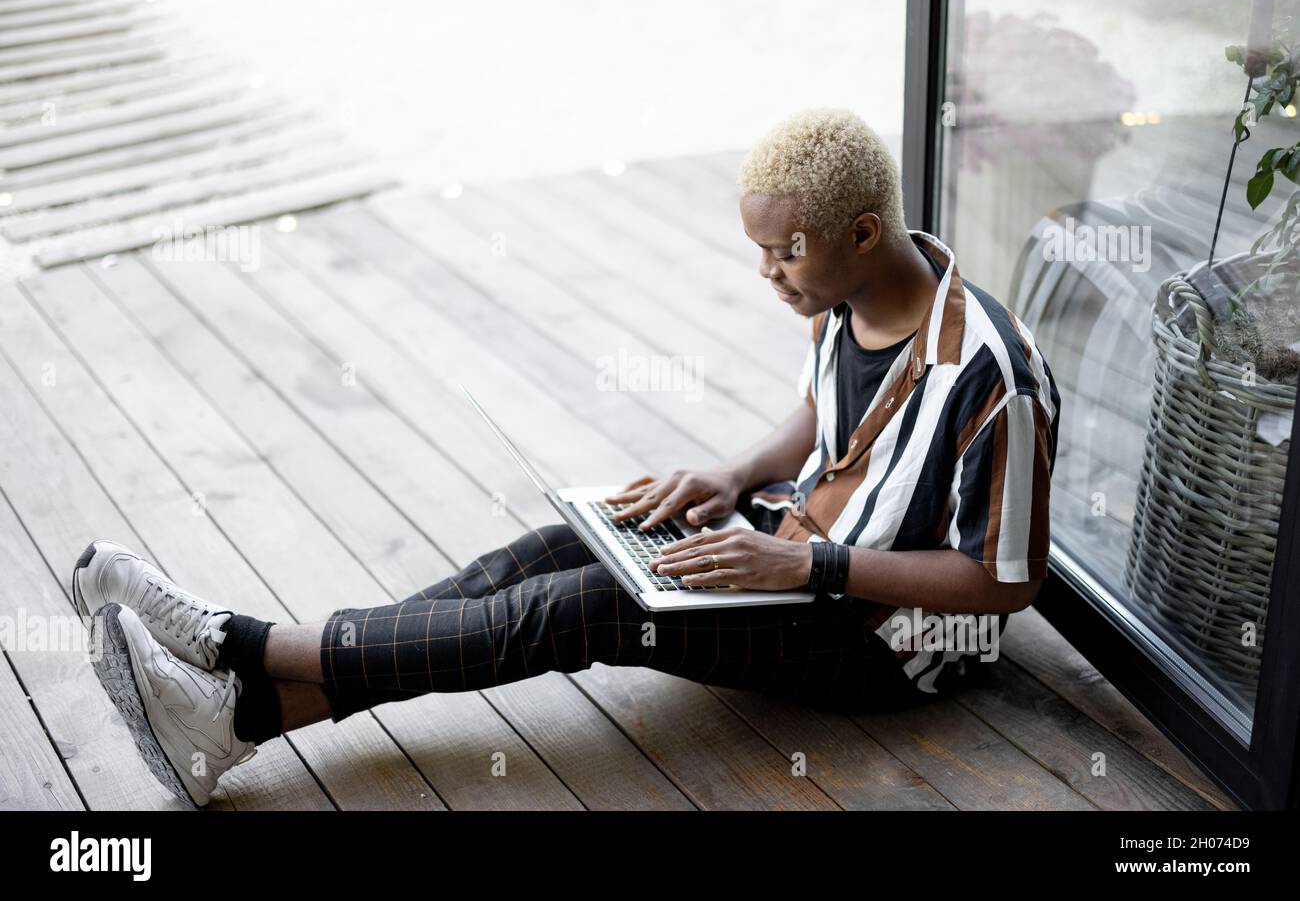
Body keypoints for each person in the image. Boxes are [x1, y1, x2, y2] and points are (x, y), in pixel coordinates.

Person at [79, 108, 1060, 807]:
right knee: (557, 550)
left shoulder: (990, 378)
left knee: (584, 608)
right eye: (758, 253)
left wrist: (811, 564)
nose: (767, 275)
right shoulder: (855, 284)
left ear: (858, 231)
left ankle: (239, 646)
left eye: (783, 256)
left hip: (883, 643)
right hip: (794, 553)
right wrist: (731, 478)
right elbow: (821, 414)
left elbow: (1004, 582)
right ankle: (241, 720)